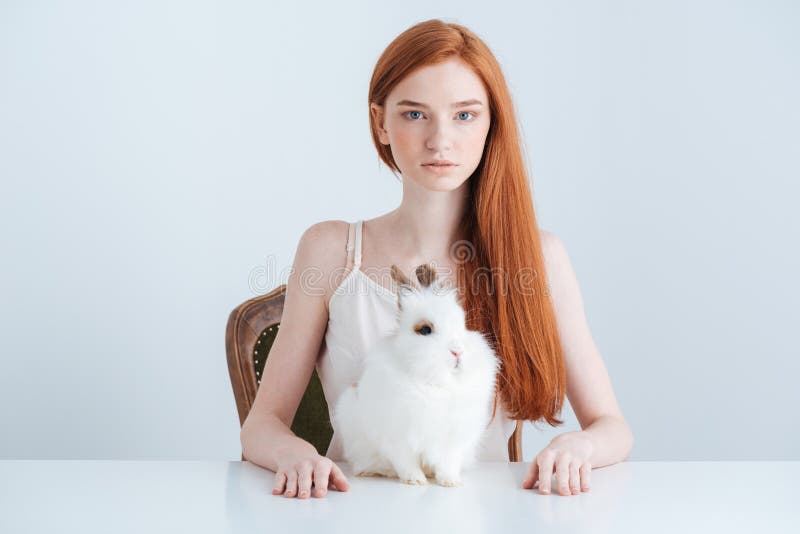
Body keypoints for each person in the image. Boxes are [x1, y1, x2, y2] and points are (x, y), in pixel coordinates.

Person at [240, 18, 633, 499]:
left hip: (482, 514)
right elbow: (262, 424)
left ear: (492, 126)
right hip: (350, 509)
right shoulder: (330, 251)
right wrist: (294, 453)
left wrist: (579, 448)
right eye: (414, 114)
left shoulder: (539, 258)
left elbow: (611, 427)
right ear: (380, 122)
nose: (440, 140)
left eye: (464, 115)